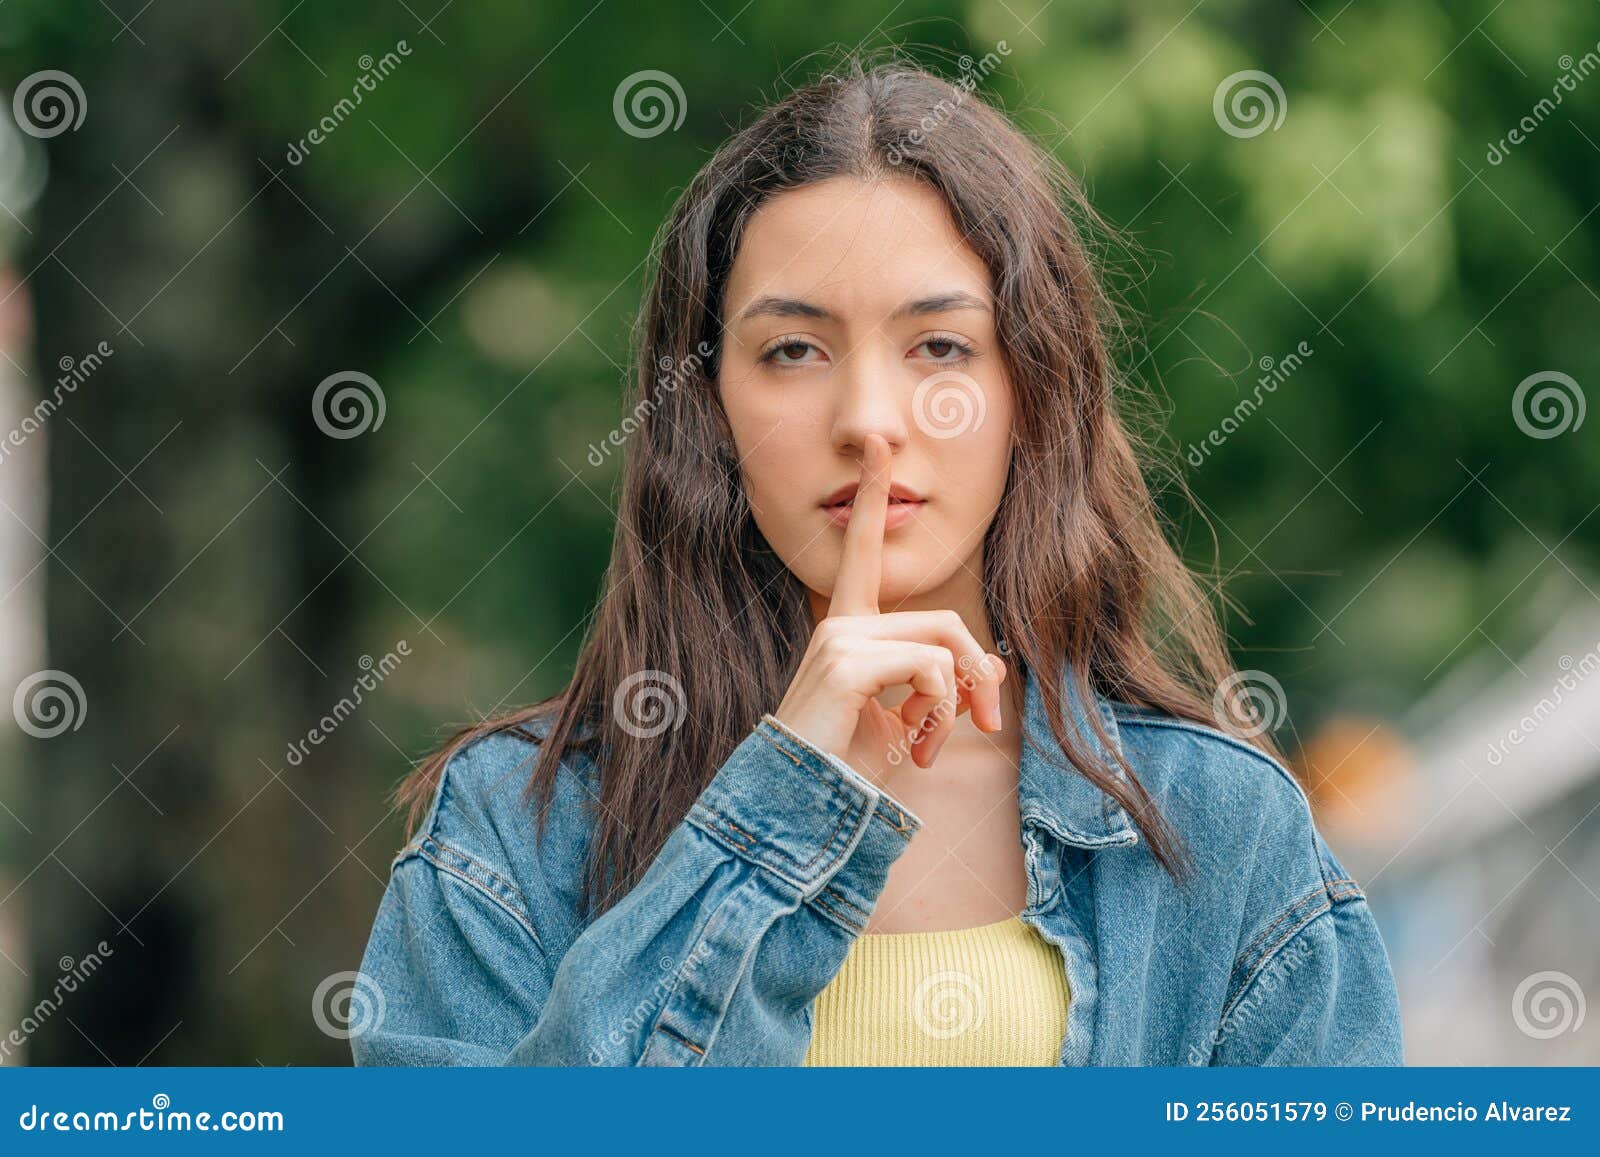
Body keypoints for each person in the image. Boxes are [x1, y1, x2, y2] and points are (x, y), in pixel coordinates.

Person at [350, 54, 1403, 1067]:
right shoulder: (513, 830)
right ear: (709, 407)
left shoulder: (1218, 827)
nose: (867, 420)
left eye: (939, 345)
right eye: (792, 350)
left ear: (1031, 392)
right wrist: (787, 799)